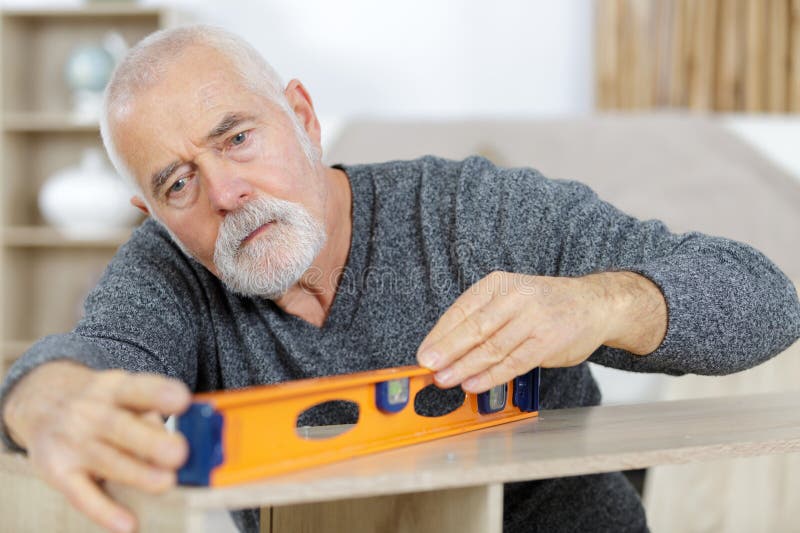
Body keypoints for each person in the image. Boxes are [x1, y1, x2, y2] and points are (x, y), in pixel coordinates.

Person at [1, 25, 799, 533]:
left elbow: (766, 298)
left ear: (303, 117)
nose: (226, 191)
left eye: (238, 137)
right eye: (179, 183)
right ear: (153, 212)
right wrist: (39, 398)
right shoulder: (167, 271)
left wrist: (602, 302)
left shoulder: (473, 209)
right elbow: (89, 362)